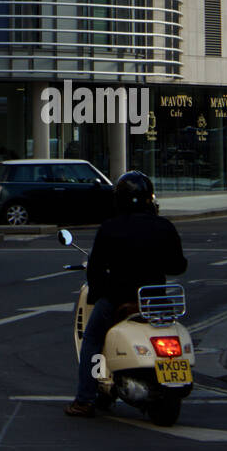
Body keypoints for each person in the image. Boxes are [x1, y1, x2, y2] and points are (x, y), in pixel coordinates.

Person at [65, 171, 187, 417]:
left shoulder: (110, 227)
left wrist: (98, 292)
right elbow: (178, 266)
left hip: (118, 299)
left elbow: (96, 269)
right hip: (155, 301)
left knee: (92, 339)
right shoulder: (164, 226)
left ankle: (85, 399)